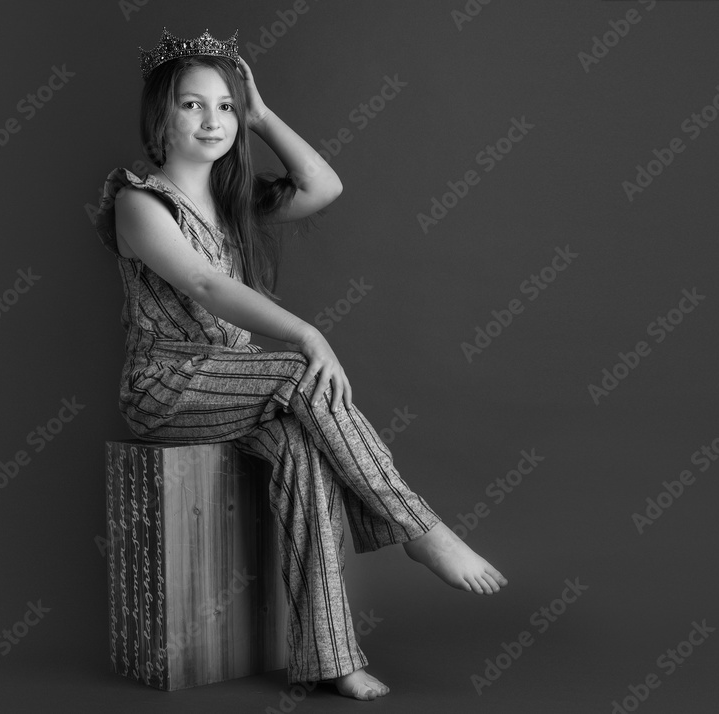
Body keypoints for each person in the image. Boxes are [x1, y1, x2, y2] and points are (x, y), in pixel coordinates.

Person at [93, 28, 507, 701]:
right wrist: (307, 334)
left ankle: (329, 656)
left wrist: (262, 116)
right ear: (158, 117)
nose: (213, 119)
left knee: (303, 452)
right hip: (167, 387)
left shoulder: (231, 202)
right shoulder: (139, 203)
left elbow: (323, 186)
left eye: (225, 106)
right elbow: (203, 284)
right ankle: (418, 528)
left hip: (235, 386)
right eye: (193, 105)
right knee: (294, 370)